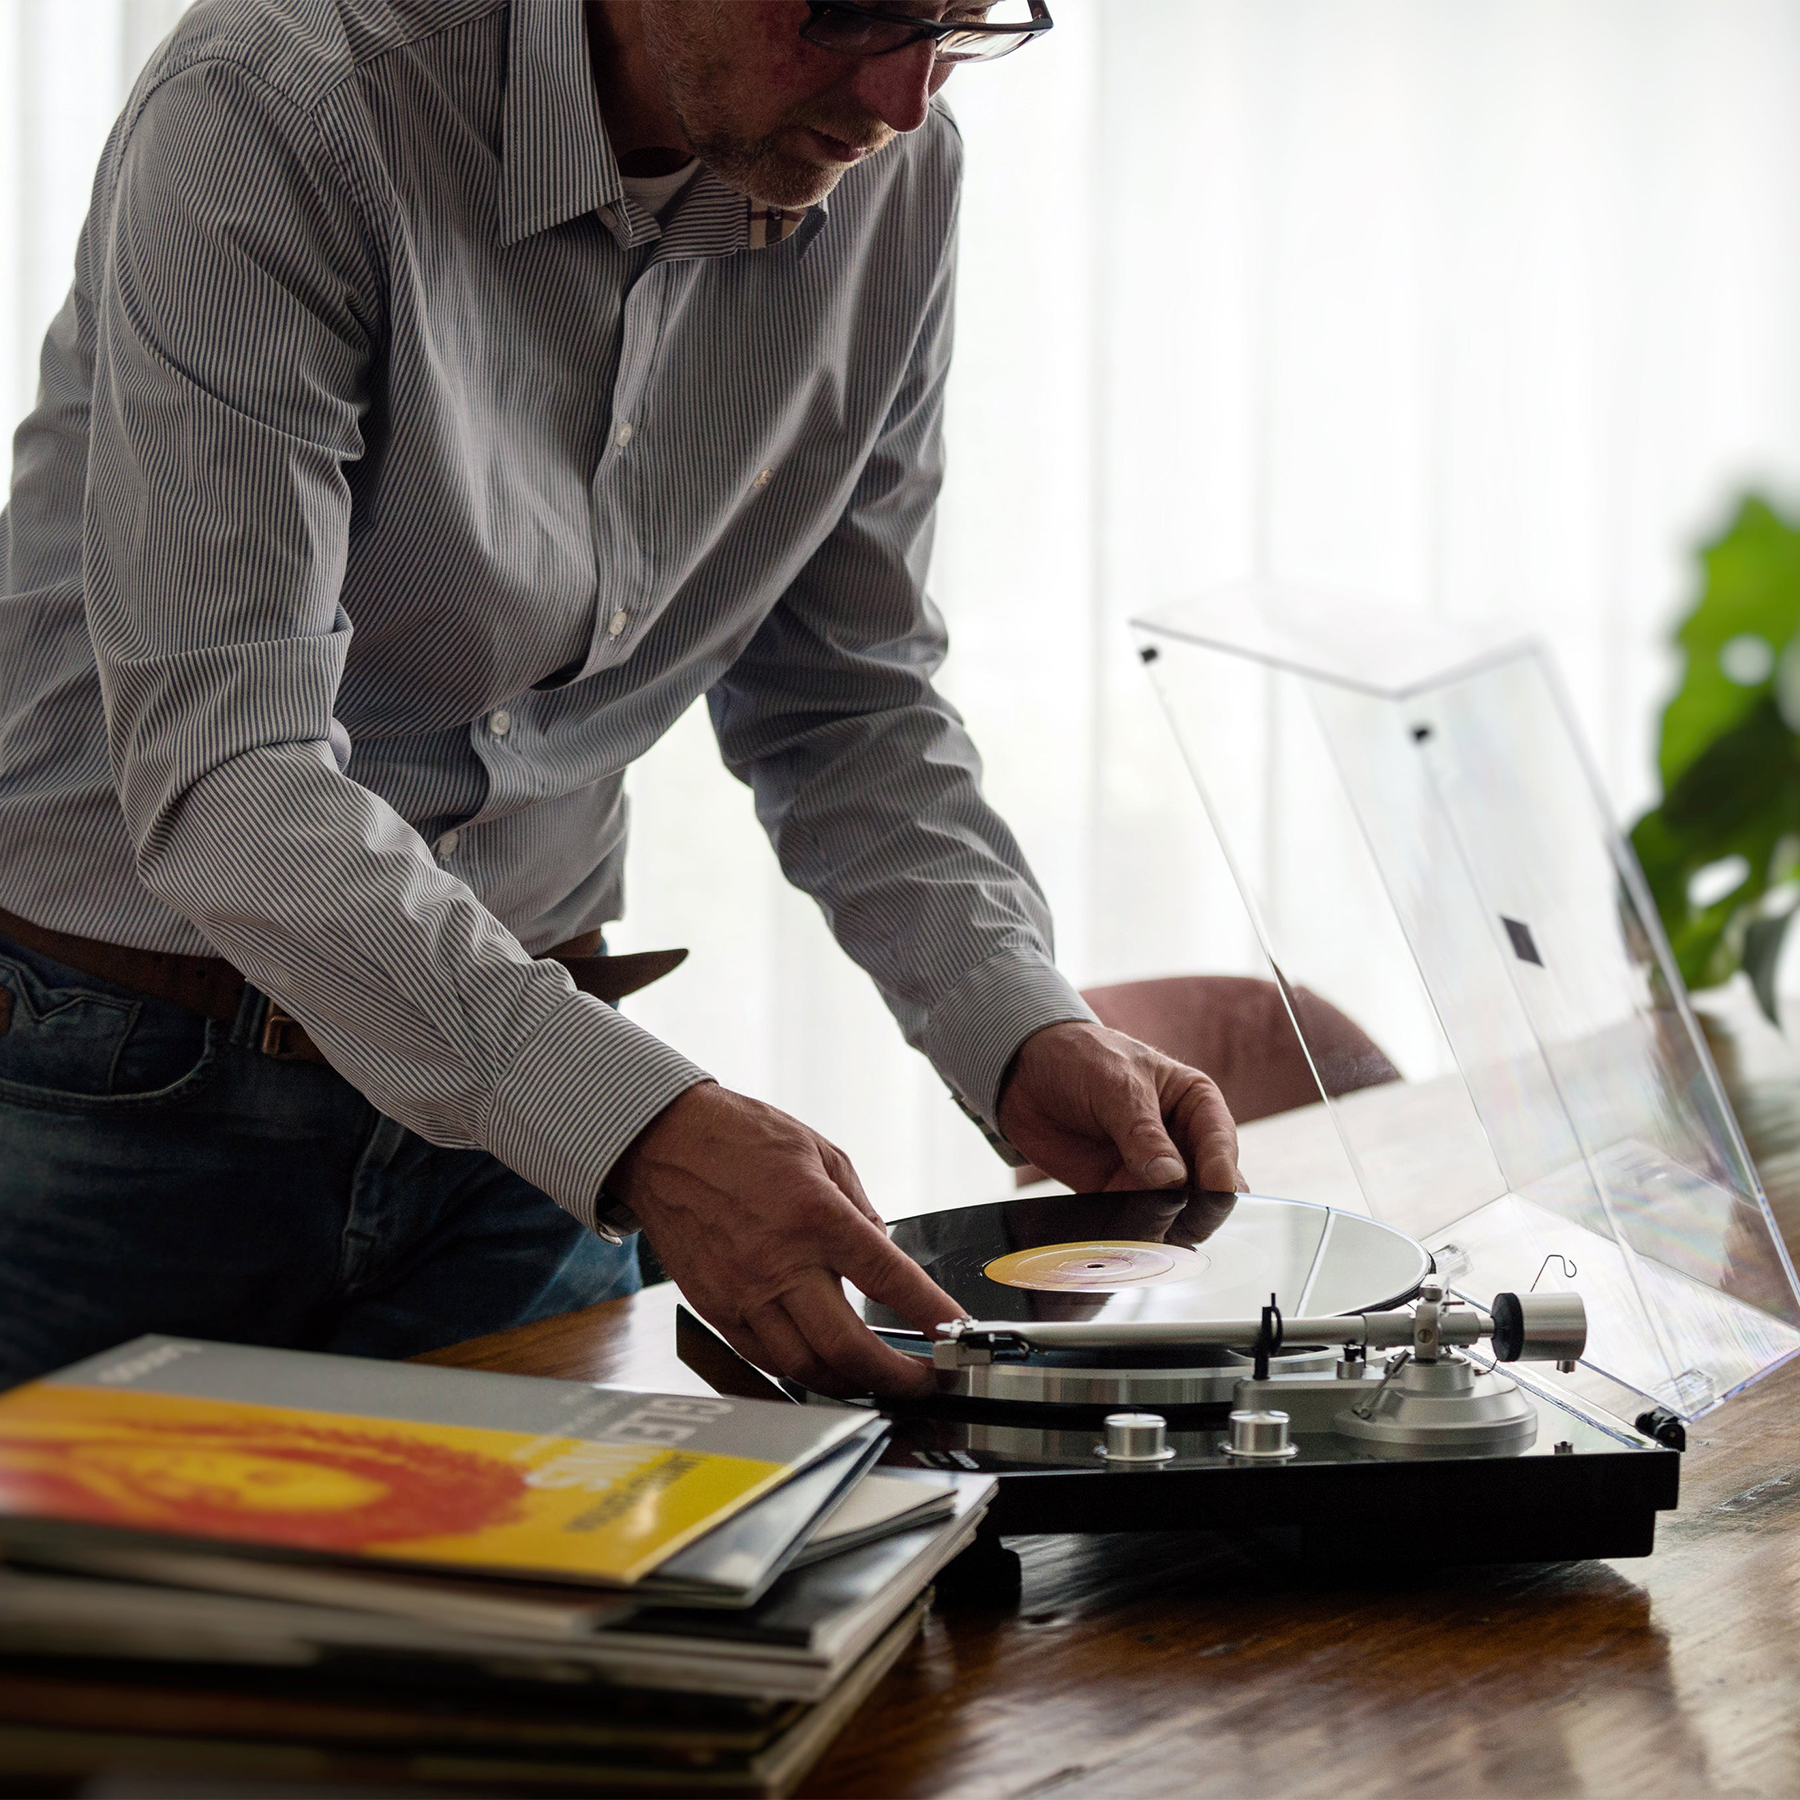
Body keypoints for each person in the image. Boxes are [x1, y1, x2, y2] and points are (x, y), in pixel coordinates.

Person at [0, 0, 1241, 1396]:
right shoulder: (278, 99)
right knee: (70, 1619)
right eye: (856, 14)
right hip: (115, 1084)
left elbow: (846, 698)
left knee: (590, 1609)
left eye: (964, 22)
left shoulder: (896, 163)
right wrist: (643, 1128)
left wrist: (1015, 1022)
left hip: (522, 1106)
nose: (905, 97)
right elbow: (233, 773)